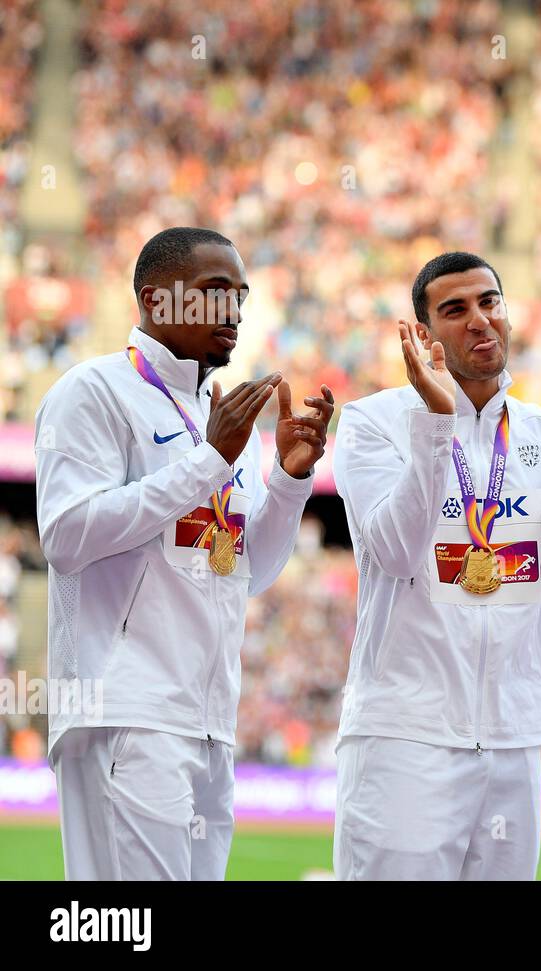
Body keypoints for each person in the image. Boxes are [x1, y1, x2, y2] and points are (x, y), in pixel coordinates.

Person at [35, 227, 333, 879]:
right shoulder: (93, 391)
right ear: (155, 299)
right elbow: (66, 535)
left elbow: (246, 570)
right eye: (213, 292)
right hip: (125, 708)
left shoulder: (217, 416)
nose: (232, 310)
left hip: (207, 719)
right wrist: (207, 462)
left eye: (240, 295)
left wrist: (287, 479)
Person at [331, 251, 541, 880]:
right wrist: (436, 424)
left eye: (489, 302)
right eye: (454, 310)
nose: (479, 320)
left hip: (513, 737)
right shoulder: (371, 422)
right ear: (425, 335)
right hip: (408, 733)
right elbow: (397, 549)